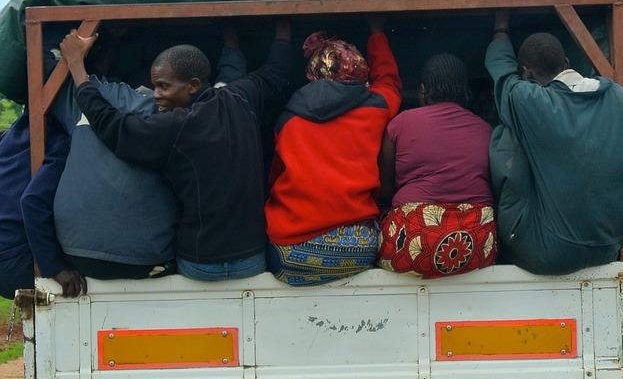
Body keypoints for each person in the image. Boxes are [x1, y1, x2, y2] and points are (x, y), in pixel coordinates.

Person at [60, 21, 292, 281]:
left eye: (163, 86)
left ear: (192, 85)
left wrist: (76, 64)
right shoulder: (241, 96)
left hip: (199, 261)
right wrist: (283, 23)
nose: (155, 95)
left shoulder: (174, 126)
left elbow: (111, 125)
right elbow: (277, 70)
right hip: (251, 256)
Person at [485, 10, 623, 275]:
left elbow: (501, 70)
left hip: (544, 252)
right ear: (567, 63)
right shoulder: (621, 99)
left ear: (525, 72)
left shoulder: (527, 100)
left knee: (508, 133)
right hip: (607, 247)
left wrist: (501, 26)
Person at [264, 20, 401, 285]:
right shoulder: (376, 108)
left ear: (312, 73)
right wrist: (377, 33)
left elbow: (273, 179)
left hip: (291, 254)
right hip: (357, 252)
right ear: (359, 70)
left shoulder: (287, 121)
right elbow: (389, 81)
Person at [376, 52, 497, 278]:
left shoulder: (400, 124)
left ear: (422, 90)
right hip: (476, 247)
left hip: (410, 245)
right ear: (465, 92)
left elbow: (385, 191)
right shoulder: (486, 130)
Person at [0, 112, 84, 298]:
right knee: (97, 259)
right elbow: (31, 202)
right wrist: (56, 268)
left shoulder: (12, 135)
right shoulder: (55, 140)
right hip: (17, 263)